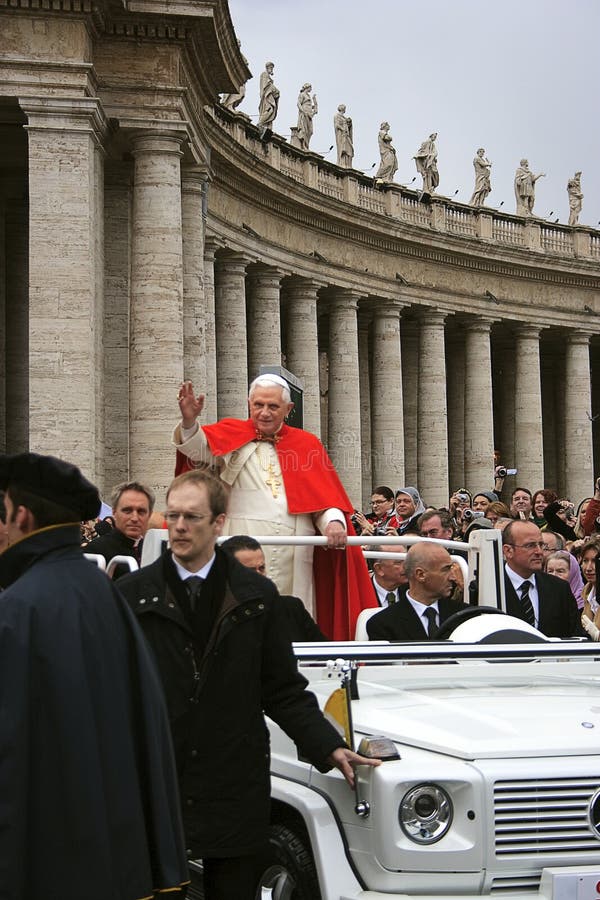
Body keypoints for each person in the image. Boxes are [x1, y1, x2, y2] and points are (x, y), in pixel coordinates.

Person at [117, 469, 379, 900]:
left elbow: (281, 687)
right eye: (174, 515)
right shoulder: (131, 594)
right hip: (158, 773)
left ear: (219, 523)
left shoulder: (258, 596)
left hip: (233, 776)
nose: (179, 527)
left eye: (192, 518)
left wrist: (327, 745)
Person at [0, 452, 188, 899]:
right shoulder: (105, 593)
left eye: (4, 516)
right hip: (115, 842)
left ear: (23, 516)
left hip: (47, 851)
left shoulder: (20, 607)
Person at [173, 374, 374, 639]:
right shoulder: (231, 434)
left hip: (296, 548)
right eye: (258, 405)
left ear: (288, 410)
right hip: (245, 540)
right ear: (249, 404)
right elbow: (198, 450)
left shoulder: (307, 444)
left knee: (291, 615)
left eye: (273, 407)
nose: (264, 413)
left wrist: (334, 522)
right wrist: (189, 422)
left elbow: (324, 498)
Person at [220, 534, 327, 641]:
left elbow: (325, 652)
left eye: (261, 568)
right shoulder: (214, 616)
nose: (259, 576)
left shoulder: (291, 609)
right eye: (250, 571)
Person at [366, 541, 469, 641]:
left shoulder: (465, 615)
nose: (452, 577)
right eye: (445, 569)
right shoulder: (382, 624)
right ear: (420, 575)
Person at [502, 520, 582, 638]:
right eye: (530, 545)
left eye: (541, 545)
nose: (539, 552)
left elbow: (575, 635)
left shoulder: (559, 589)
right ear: (508, 550)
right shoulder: (488, 588)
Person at [85, 479, 154, 575]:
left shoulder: (154, 551)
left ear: (149, 514)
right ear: (114, 512)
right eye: (127, 510)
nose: (135, 518)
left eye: (141, 511)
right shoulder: (95, 551)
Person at [257, 61, 280, 131]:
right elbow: (266, 85)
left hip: (269, 95)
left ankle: (266, 125)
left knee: (271, 110)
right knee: (270, 110)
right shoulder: (264, 74)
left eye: (272, 68)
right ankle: (260, 123)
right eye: (271, 68)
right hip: (266, 96)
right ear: (267, 67)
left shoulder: (267, 75)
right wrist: (276, 90)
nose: (272, 69)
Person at [296, 82, 318, 150]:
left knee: (310, 131)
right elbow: (298, 103)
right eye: (310, 87)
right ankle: (303, 145)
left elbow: (310, 106)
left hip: (309, 114)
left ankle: (307, 144)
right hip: (304, 113)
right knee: (304, 129)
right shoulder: (302, 94)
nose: (311, 89)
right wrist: (303, 111)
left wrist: (315, 102)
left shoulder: (308, 96)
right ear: (307, 87)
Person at [334, 103, 354, 168]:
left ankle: (348, 164)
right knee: (343, 149)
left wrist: (350, 124)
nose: (345, 109)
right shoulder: (337, 116)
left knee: (350, 149)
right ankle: (342, 163)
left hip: (346, 135)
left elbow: (348, 126)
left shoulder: (345, 118)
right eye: (344, 108)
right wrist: (343, 129)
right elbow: (336, 125)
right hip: (341, 135)